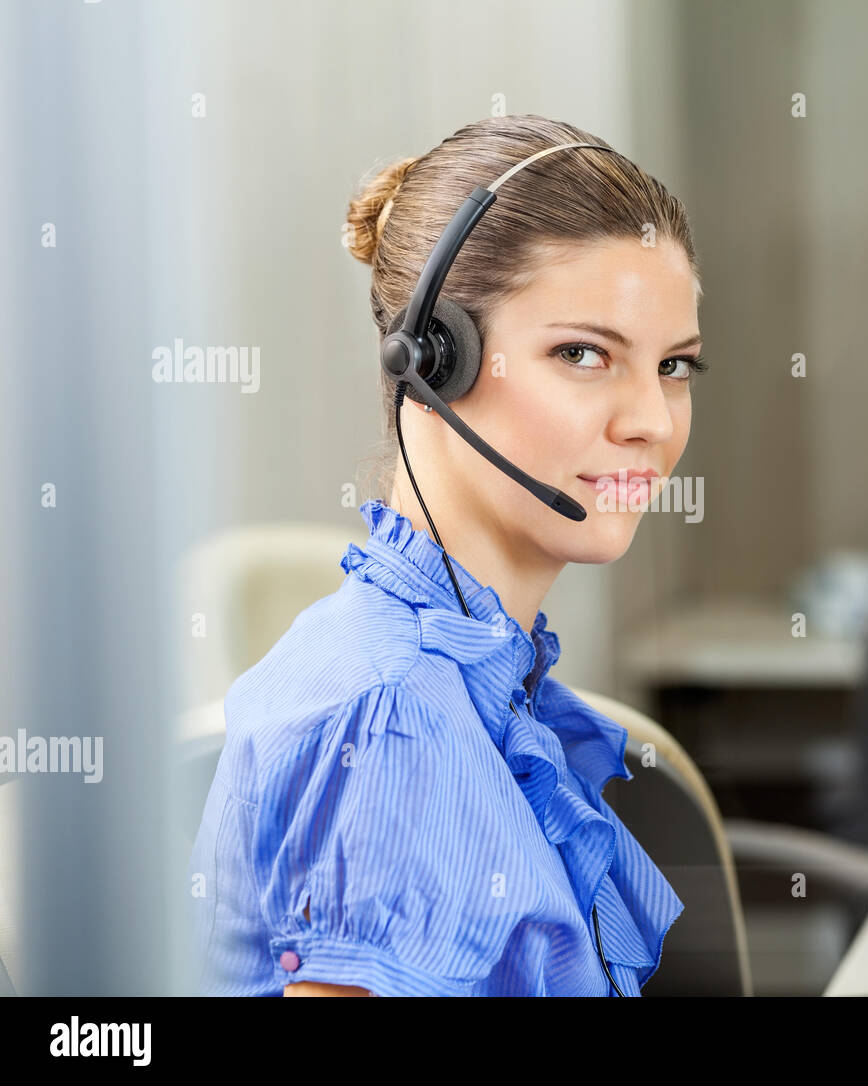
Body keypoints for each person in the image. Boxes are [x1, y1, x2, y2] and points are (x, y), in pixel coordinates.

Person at [189, 115, 707, 996]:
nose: (653, 422)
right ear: (435, 362)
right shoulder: (393, 724)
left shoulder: (488, 679)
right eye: (583, 355)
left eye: (676, 366)